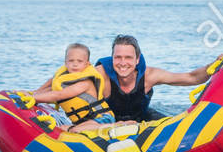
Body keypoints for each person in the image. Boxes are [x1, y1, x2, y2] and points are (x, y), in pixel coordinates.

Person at [72, 35, 212, 130]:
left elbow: (191, 77)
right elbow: (63, 81)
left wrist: (213, 67)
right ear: (112, 58)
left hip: (142, 119)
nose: (122, 63)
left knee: (176, 127)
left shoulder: (149, 76)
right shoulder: (100, 74)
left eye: (128, 57)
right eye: (118, 57)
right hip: (108, 123)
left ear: (137, 59)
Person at [16, 43, 115, 126]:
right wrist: (33, 93)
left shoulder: (85, 83)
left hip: (103, 119)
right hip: (86, 121)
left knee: (73, 129)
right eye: (71, 61)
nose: (74, 64)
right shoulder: (66, 79)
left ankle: (72, 130)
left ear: (87, 64)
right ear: (65, 63)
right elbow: (52, 85)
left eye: (79, 61)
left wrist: (34, 98)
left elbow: (59, 95)